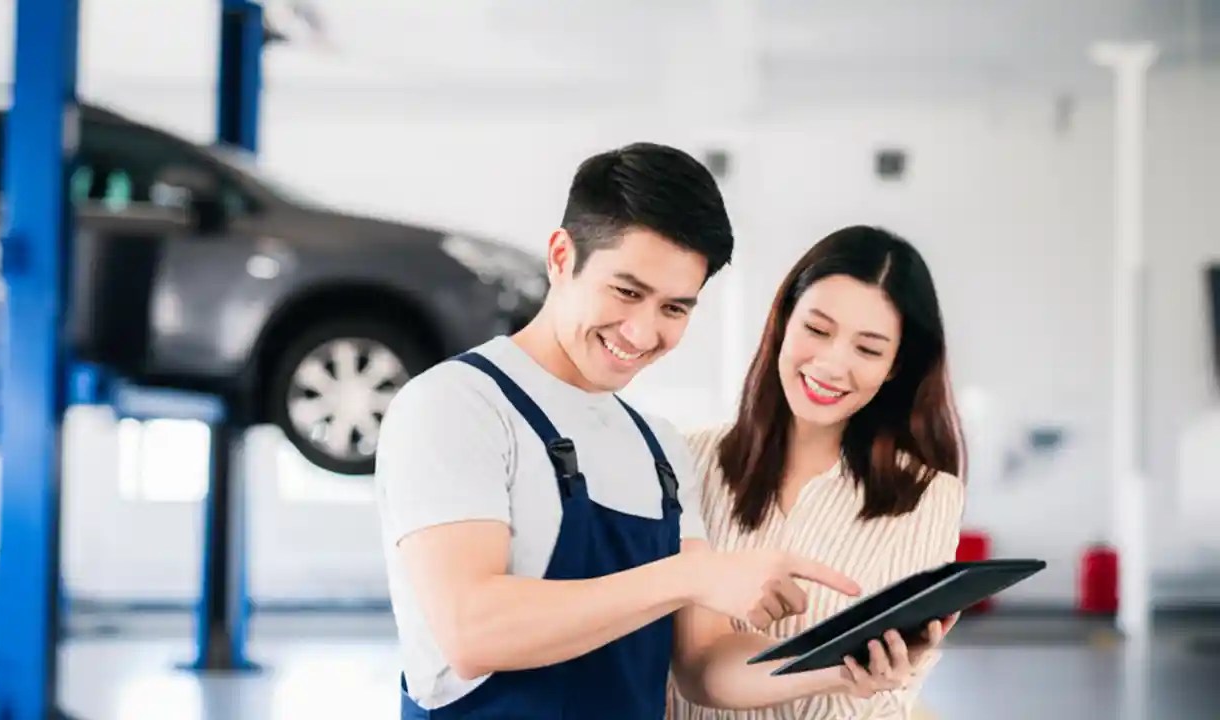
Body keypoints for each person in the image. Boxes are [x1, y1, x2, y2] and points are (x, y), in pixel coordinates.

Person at [374, 144, 932, 719]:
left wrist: (836, 666)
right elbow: (473, 631)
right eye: (627, 291)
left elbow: (703, 664)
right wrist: (689, 575)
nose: (642, 333)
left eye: (675, 309)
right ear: (562, 257)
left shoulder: (659, 449)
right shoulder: (456, 406)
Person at [668, 225, 966, 720]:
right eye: (818, 330)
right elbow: (694, 666)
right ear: (784, 321)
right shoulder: (687, 460)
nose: (831, 365)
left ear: (894, 366)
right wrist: (830, 666)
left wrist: (864, 671)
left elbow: (889, 696)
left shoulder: (928, 496)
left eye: (868, 349)